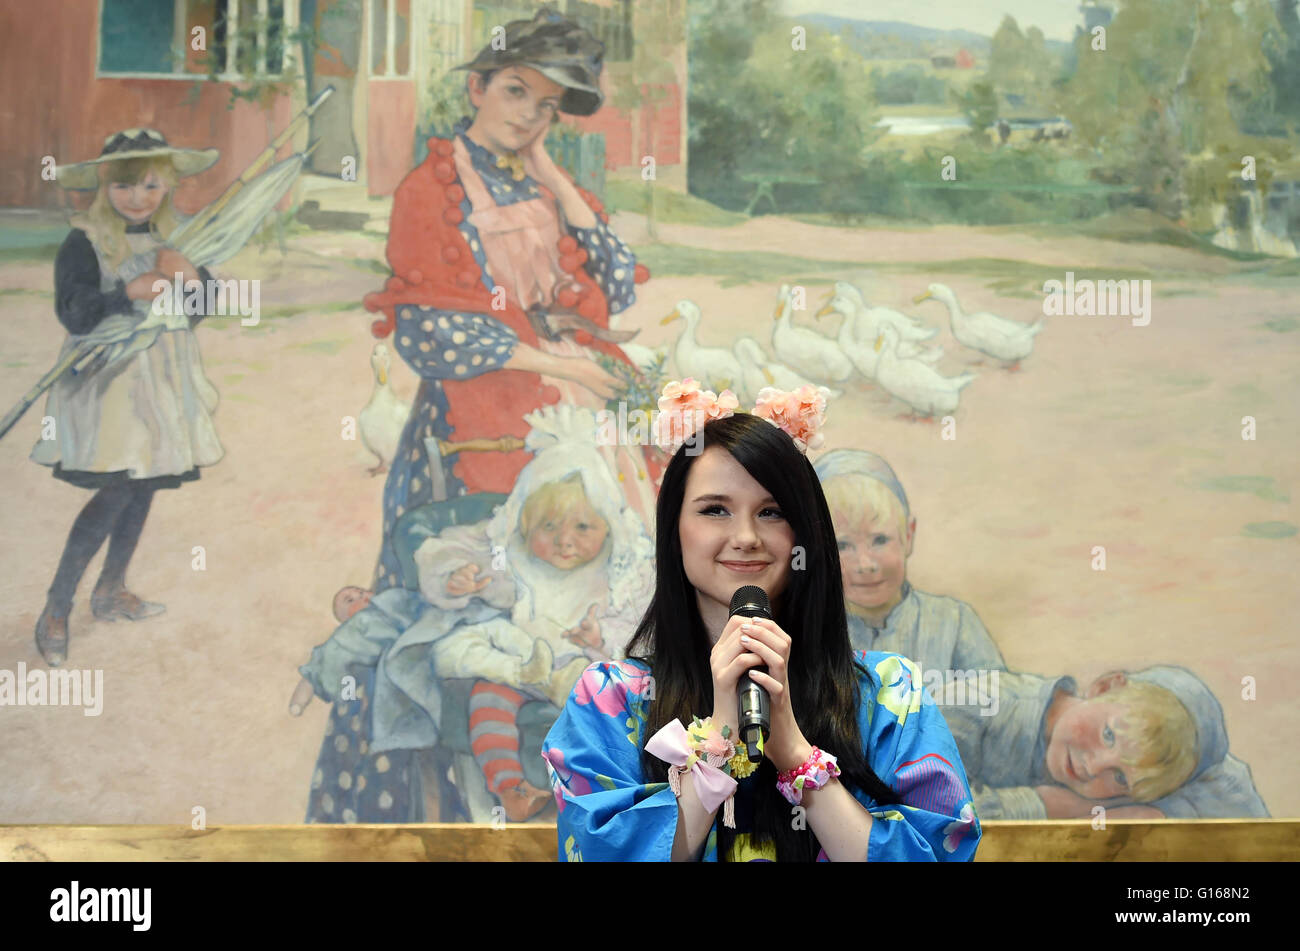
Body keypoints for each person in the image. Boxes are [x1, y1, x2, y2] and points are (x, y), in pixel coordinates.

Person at [309, 5, 656, 824]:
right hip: (477, 418)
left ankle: (603, 785)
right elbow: (432, 330)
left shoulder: (540, 182)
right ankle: (440, 807)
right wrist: (557, 360)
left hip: (567, 411)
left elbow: (617, 280)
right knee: (475, 601)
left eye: (546, 105)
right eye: (514, 91)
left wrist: (553, 171)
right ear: (476, 87)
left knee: (592, 594)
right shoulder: (429, 188)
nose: (527, 112)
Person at [541, 384, 981, 861]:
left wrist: (794, 752)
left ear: (804, 534)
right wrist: (719, 740)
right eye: (715, 510)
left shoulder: (892, 695)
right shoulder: (608, 699)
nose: (746, 537)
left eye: (771, 512)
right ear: (675, 532)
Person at [30, 129, 223, 666]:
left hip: (160, 381)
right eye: (123, 185)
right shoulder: (85, 240)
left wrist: (192, 282)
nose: (136, 197)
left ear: (166, 185)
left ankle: (111, 588)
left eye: (149, 184)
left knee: (144, 487)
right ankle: (55, 607)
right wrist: (126, 294)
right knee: (116, 487)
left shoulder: (177, 240)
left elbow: (205, 306)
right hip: (108, 382)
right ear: (103, 186)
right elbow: (73, 311)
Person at [944, 663, 1269, 820]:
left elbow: (1237, 805)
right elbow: (918, 815)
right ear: (1103, 687)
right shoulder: (973, 705)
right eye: (1109, 734)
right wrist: (1047, 805)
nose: (1092, 766)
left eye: (1120, 778)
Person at [814, 449, 1005, 672]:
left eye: (880, 539)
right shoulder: (811, 629)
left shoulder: (953, 623)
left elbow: (1000, 696)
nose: (865, 564)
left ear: (908, 535)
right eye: (842, 545)